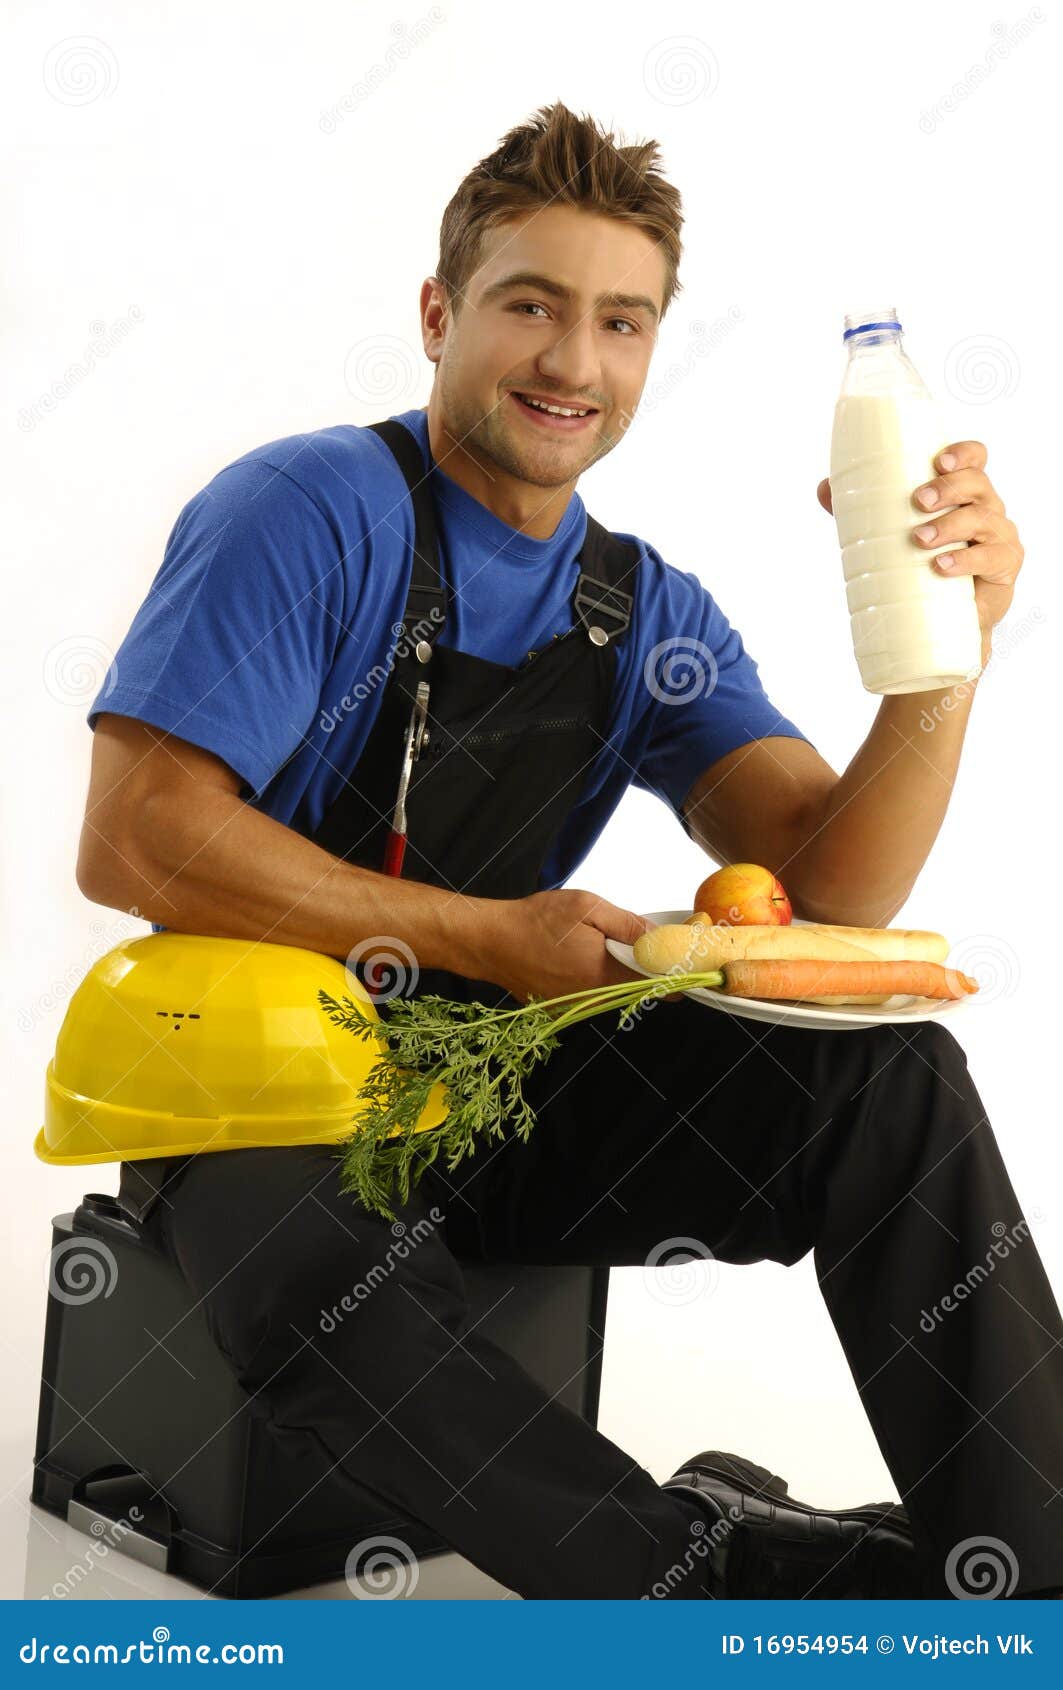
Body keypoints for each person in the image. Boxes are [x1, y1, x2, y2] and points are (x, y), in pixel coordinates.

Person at [76, 102, 1060, 1601]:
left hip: (484, 1090)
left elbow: (827, 898)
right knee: (320, 1289)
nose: (573, 363)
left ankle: (1038, 1556)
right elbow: (133, 838)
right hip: (250, 1100)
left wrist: (943, 669)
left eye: (621, 321)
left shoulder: (638, 611)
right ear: (438, 313)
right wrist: (484, 935)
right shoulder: (311, 511)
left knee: (881, 1070)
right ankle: (715, 1575)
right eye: (530, 305)